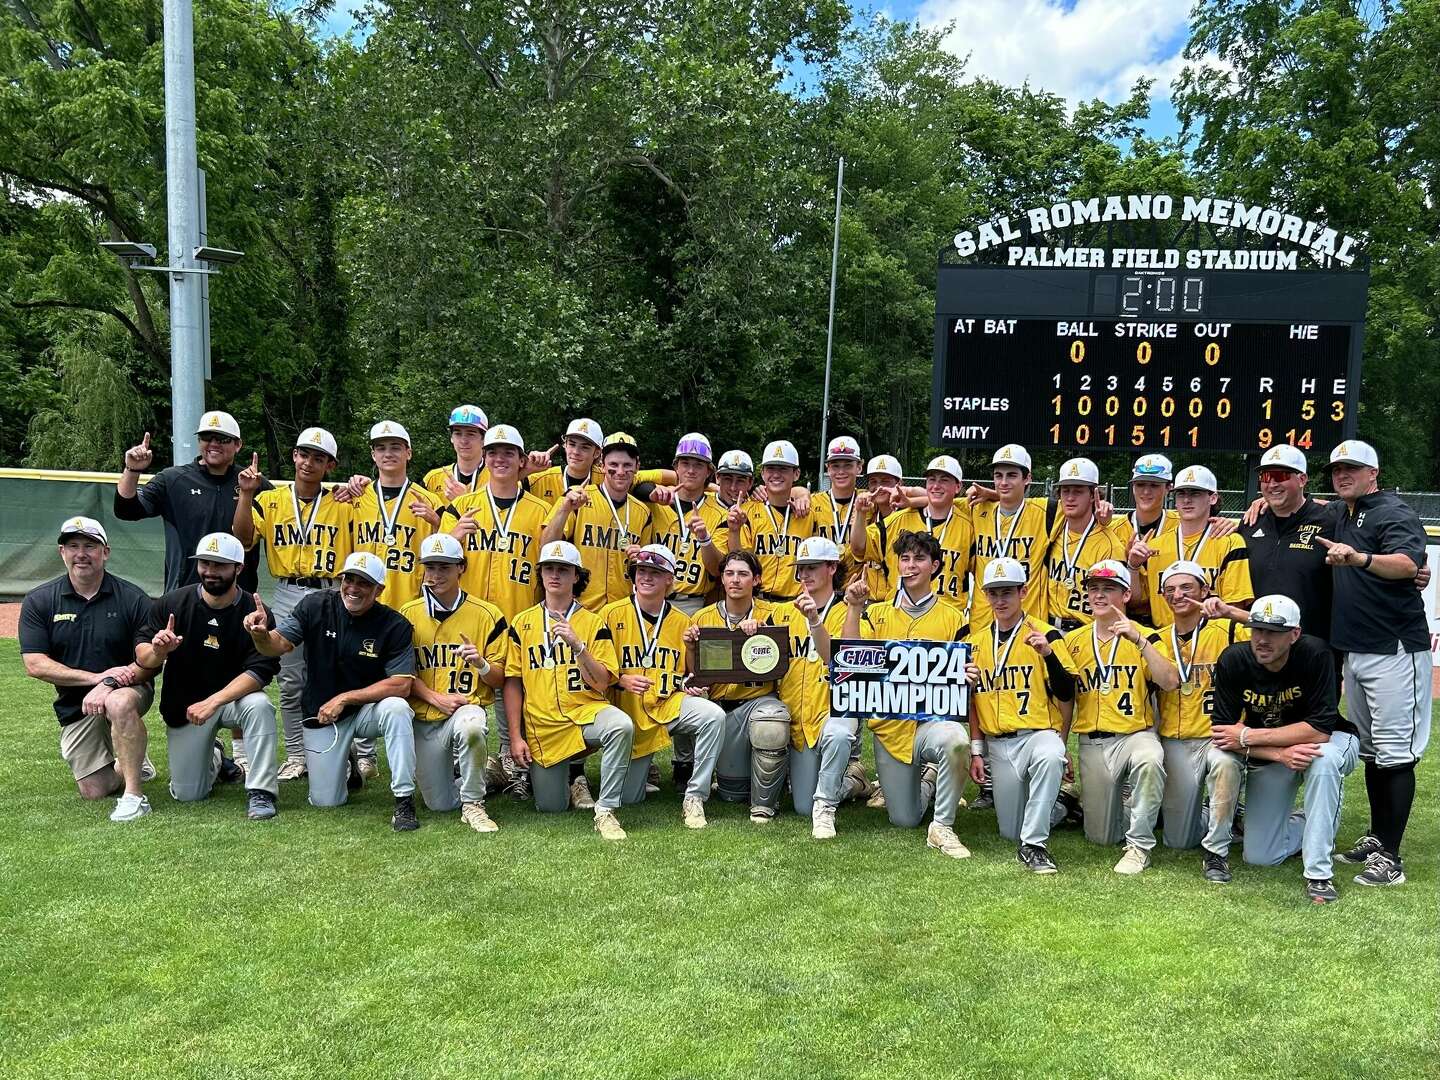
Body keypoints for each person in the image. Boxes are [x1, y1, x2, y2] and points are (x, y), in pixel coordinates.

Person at [1318, 440, 1431, 889]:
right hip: (1356, 649)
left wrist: (1360, 558)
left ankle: (1393, 858)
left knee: (1395, 752)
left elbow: (1408, 564)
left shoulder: (1392, 511)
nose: (1343, 475)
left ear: (1374, 473)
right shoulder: (1341, 514)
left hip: (1394, 648)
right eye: (1337, 469)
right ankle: (1378, 837)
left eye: (1353, 468)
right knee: (1371, 750)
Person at [244, 552, 420, 830]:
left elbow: (401, 684)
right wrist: (260, 635)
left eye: (363, 582)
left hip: (366, 711)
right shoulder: (314, 605)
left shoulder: (394, 624)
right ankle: (347, 762)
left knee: (397, 708)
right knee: (326, 801)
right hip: (322, 713)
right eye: (348, 579)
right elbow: (277, 645)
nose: (353, 588)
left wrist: (346, 698)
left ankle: (404, 800)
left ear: (379, 589)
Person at [1207, 594, 1360, 903]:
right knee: (1261, 855)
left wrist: (1248, 736)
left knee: (1324, 760)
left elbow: (1319, 730)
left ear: (1295, 634)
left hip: (1334, 740)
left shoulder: (1317, 654)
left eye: (1273, 632)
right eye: (1257, 630)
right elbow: (1224, 735)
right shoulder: (1234, 659)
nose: (1262, 639)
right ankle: (1311, 819)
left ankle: (1319, 874)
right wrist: (1277, 753)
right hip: (1274, 751)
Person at [233, 426, 355, 782]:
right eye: (304, 454)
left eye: (319, 458)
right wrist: (244, 494)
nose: (309, 462)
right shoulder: (270, 500)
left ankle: (354, 756)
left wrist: (358, 487)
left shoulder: (341, 501)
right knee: (290, 678)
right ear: (294, 456)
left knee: (340, 672)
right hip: (288, 589)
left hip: (333, 591)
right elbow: (242, 539)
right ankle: (298, 753)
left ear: (329, 465)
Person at [841, 530, 972, 859]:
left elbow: (966, 672)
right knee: (905, 819)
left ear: (935, 565)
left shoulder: (955, 617)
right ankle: (930, 780)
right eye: (905, 558)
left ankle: (942, 826)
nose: (911, 565)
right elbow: (851, 659)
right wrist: (855, 609)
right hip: (889, 726)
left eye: (919, 559)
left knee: (956, 739)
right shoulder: (879, 611)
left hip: (931, 724)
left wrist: (968, 674)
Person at [135, 532, 281, 820]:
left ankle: (261, 792)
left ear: (239, 568)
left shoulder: (257, 612)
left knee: (260, 705)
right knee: (188, 795)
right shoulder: (172, 603)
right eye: (205, 563)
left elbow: (259, 672)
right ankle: (215, 756)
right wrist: (158, 650)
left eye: (219, 565)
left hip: (233, 701)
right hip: (187, 706)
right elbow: (143, 655)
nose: (210, 572)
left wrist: (214, 701)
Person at [19, 517, 157, 821]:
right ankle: (132, 761)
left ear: (105, 552)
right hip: (76, 703)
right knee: (94, 790)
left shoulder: (133, 598)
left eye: (90, 546)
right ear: (62, 552)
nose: (81, 553)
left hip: (128, 688)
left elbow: (149, 663)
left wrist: (109, 683)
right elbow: (35, 664)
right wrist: (96, 679)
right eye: (73, 546)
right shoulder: (40, 600)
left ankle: (134, 796)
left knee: (118, 702)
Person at [443, 423, 551, 797]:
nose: (500, 459)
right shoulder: (461, 507)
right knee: (463, 690)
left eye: (509, 453)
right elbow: (436, 557)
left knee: (514, 692)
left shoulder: (541, 510)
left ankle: (513, 764)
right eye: (493, 452)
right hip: (468, 616)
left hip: (518, 614)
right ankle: (459, 766)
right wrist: (452, 537)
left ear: (523, 461)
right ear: (484, 458)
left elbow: (552, 565)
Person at [504, 540, 634, 839]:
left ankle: (606, 810)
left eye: (563, 569)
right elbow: (512, 681)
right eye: (549, 568)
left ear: (576, 576)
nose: (555, 575)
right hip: (544, 722)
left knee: (620, 725)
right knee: (551, 807)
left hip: (585, 711)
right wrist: (514, 736)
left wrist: (578, 646)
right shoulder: (522, 622)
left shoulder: (592, 621)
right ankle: (570, 779)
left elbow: (602, 681)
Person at [1058, 560, 1179, 874]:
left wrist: (1138, 639)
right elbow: (1065, 699)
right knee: (1101, 837)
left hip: (1135, 734)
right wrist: (1061, 746)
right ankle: (1140, 808)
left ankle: (1139, 846)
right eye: (1093, 588)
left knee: (1151, 758)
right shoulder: (1073, 641)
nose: (1099, 595)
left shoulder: (1147, 635)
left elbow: (1169, 681)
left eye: (1109, 589)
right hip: (1093, 742)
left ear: (1126, 594)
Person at [963, 557, 1075, 873]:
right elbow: (972, 704)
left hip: (1038, 735)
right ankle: (1061, 806)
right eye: (993, 593)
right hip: (998, 744)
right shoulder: (974, 643)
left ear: (1023, 591)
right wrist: (976, 752)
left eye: (1007, 592)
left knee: (1051, 756)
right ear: (985, 595)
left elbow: (1067, 694)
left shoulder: (1046, 633)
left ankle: (1034, 846)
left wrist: (1049, 656)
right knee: (1008, 830)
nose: (1000, 600)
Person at [604, 545, 726, 827]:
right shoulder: (610, 614)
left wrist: (688, 684)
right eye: (642, 571)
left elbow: (688, 674)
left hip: (666, 702)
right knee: (629, 799)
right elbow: (597, 670)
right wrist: (620, 679)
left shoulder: (683, 621)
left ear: (669, 579)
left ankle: (694, 796)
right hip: (627, 709)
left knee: (713, 716)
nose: (647, 577)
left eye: (656, 573)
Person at [398, 533, 508, 833]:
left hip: (464, 709)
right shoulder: (407, 614)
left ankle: (474, 803)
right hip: (423, 718)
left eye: (444, 567)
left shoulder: (488, 614)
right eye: (431, 567)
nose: (436, 574)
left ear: (461, 567)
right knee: (441, 804)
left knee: (473, 726)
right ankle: (484, 774)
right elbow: (400, 675)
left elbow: (501, 678)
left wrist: (482, 663)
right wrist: (434, 697)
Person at [1148, 560, 1250, 865]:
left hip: (1218, 736)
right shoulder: (1158, 638)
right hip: (1176, 739)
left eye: (1186, 587)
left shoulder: (1228, 628)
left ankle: (1216, 850)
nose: (1178, 595)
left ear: (1205, 590)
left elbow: (1275, 630)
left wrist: (1232, 611)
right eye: (1170, 589)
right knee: (1178, 841)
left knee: (1225, 766)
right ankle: (1223, 811)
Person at [114, 411, 269, 592]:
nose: (213, 443)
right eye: (206, 437)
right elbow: (126, 510)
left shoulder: (255, 483)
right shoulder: (173, 479)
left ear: (238, 444)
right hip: (184, 595)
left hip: (239, 598)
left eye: (222, 438)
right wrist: (132, 470)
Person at [691, 550, 792, 823]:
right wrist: (691, 646)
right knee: (732, 794)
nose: (735, 580)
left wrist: (764, 629)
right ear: (721, 580)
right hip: (721, 711)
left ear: (756, 580)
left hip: (758, 701)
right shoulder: (702, 618)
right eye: (729, 574)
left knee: (771, 724)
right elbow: (693, 672)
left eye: (743, 574)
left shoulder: (774, 613)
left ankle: (764, 806)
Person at [791, 538, 873, 838]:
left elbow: (843, 661)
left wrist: (816, 620)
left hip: (836, 708)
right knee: (801, 804)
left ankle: (825, 810)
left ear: (832, 567)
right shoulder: (786, 611)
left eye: (812, 567)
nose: (805, 575)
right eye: (801, 569)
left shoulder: (848, 608)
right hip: (799, 712)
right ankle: (853, 782)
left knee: (839, 734)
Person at [542, 432, 653, 611]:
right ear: (601, 465)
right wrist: (564, 509)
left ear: (637, 466)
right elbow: (546, 547)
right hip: (581, 607)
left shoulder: (643, 512)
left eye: (627, 465)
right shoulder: (578, 497)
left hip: (622, 610)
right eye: (613, 465)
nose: (620, 471)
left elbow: (644, 570)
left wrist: (641, 558)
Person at [1236, 445, 1335, 641]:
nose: (1272, 484)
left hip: (1312, 643)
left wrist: (1414, 571)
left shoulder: (1330, 521)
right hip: (1257, 642)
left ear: (1302, 479)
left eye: (1280, 476)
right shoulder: (1249, 523)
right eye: (1266, 477)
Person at [851, 455, 974, 612]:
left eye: (944, 480)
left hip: (948, 617)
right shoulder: (898, 520)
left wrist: (909, 492)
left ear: (958, 487)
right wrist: (860, 514)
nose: (936, 486)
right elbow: (858, 548)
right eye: (931, 480)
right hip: (899, 613)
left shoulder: (968, 524)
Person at [1136, 466, 1252, 627]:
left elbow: (1234, 606)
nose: (1186, 500)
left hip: (1212, 639)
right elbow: (1137, 602)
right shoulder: (1154, 545)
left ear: (1213, 498)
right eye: (1181, 494)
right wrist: (1132, 566)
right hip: (1165, 639)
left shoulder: (1230, 542)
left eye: (1195, 493)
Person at [351, 421, 445, 610]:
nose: (388, 454)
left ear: (408, 453)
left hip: (409, 604)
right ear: (373, 455)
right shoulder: (356, 497)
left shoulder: (430, 501)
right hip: (361, 602)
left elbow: (448, 552)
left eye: (395, 447)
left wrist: (436, 522)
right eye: (381, 448)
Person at [967, 445, 1050, 633]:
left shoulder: (1046, 512)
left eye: (1011, 475)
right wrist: (910, 499)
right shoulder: (977, 508)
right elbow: (937, 499)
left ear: (1027, 478)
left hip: (1029, 626)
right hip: (982, 624)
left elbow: (1081, 504)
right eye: (998, 476)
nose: (1003, 482)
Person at [647, 433, 726, 617]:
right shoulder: (655, 503)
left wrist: (705, 540)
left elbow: (717, 570)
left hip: (694, 603)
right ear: (676, 467)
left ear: (709, 471)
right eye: (685, 463)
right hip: (652, 598)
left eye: (698, 464)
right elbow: (632, 478)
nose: (691, 470)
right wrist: (657, 486)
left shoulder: (720, 513)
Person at [1043, 458, 1125, 631]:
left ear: (1093, 495)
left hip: (1087, 631)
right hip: (1048, 629)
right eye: (1065, 491)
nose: (1070, 497)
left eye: (1078, 491)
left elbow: (1117, 603)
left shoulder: (1109, 544)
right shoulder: (1052, 526)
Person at [731, 439, 816, 603]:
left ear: (796, 474)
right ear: (762, 473)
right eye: (770, 468)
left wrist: (803, 494)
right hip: (757, 600)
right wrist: (734, 530)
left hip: (797, 601)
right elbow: (739, 559)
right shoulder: (746, 511)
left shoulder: (809, 513)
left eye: (783, 469)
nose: (776, 474)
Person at [850, 454, 906, 601]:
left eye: (885, 481)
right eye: (873, 482)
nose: (879, 487)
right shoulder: (869, 515)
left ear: (899, 483)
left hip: (900, 599)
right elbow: (857, 549)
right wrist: (860, 513)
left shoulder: (910, 515)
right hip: (872, 598)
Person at [525, 418, 604, 505]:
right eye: (572, 444)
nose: (576, 452)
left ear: (597, 453)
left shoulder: (606, 480)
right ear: (565, 445)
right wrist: (526, 470)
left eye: (585, 447)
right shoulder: (539, 479)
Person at [422, 404, 490, 500]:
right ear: (451, 438)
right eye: (458, 434)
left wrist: (462, 500)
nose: (463, 441)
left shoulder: (499, 478)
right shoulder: (432, 479)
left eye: (470, 434)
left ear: (484, 439)